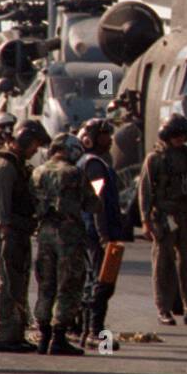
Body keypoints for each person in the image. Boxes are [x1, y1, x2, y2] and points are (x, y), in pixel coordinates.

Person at [138, 113, 187, 327]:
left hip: (186, 216)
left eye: (183, 135)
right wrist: (146, 220)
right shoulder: (155, 159)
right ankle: (164, 309)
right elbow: (145, 190)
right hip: (164, 217)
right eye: (177, 135)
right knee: (164, 265)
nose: (181, 139)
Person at [0, 119, 50, 353]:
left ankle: (15, 333)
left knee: (18, 282)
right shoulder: (4, 166)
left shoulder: (18, 164)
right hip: (7, 232)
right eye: (34, 144)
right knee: (6, 283)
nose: (35, 150)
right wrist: (4, 230)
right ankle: (3, 334)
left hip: (18, 231)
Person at [31, 133, 97, 356]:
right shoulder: (74, 173)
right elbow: (92, 204)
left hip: (44, 234)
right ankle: (59, 337)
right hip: (68, 236)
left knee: (46, 283)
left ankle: (43, 337)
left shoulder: (37, 172)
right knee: (68, 284)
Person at [78, 117, 123, 347]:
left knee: (94, 279)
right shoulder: (94, 164)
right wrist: (104, 235)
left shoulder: (95, 162)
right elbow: (98, 201)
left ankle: (87, 330)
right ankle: (94, 331)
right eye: (105, 134)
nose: (110, 138)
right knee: (101, 281)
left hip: (95, 231)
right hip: (96, 233)